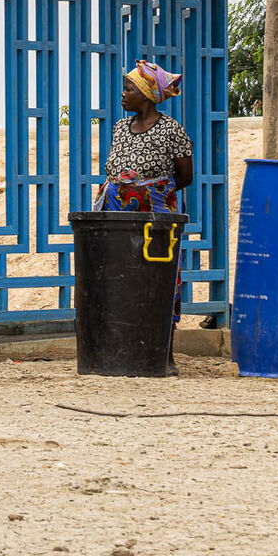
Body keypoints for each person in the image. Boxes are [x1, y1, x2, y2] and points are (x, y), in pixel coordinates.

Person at [99, 59, 193, 370]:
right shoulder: (119, 128)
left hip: (156, 216)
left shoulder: (171, 130)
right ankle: (123, 346)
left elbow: (185, 176)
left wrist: (152, 192)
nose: (122, 94)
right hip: (118, 216)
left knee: (161, 278)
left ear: (147, 93)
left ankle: (164, 354)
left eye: (128, 89)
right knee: (121, 278)